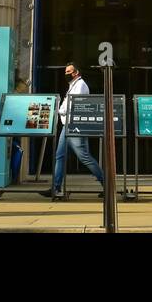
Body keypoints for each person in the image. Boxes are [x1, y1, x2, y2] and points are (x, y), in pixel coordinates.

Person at [40, 62, 105, 199]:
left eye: (69, 71)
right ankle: (56, 187)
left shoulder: (80, 85)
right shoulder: (73, 85)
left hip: (75, 126)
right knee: (60, 156)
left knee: (84, 157)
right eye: (65, 72)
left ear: (76, 72)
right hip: (67, 126)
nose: (66, 74)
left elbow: (75, 104)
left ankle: (108, 185)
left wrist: (60, 111)